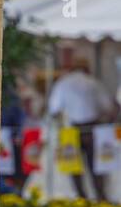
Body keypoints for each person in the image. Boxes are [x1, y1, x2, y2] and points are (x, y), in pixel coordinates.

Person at [47, 61, 116, 198]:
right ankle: (100, 197)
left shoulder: (63, 83)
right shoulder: (93, 83)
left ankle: (81, 198)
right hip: (92, 128)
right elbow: (108, 107)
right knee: (96, 167)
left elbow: (53, 109)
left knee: (73, 166)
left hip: (71, 129)